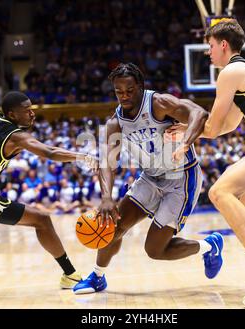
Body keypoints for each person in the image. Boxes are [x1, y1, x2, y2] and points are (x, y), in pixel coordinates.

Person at [73, 63, 224, 294]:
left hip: (181, 179)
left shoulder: (159, 103)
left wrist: (186, 142)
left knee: (154, 250)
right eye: (119, 92)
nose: (124, 96)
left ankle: (208, 246)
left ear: (140, 87)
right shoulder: (115, 123)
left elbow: (198, 113)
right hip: (150, 178)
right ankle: (97, 276)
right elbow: (107, 162)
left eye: (130, 90)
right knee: (112, 226)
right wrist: (106, 197)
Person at [172, 19, 245, 305]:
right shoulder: (244, 71)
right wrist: (188, 131)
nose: (207, 52)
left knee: (219, 192)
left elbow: (213, 124)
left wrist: (187, 130)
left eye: (209, 46)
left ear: (223, 45)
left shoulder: (231, 71)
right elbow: (223, 128)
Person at [0, 91, 97, 289]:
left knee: (42, 219)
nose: (32, 114)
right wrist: (82, 156)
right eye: (27, 111)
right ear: (12, 114)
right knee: (42, 220)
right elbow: (49, 152)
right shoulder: (15, 137)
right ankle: (70, 275)